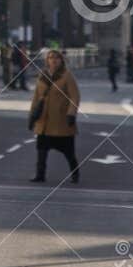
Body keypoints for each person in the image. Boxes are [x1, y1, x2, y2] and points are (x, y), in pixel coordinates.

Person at [28, 48, 80, 185]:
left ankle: (75, 174)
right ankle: (40, 174)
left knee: (69, 152)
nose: (54, 60)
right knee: (41, 150)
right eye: (51, 57)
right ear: (47, 61)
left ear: (61, 60)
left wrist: (71, 113)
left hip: (61, 121)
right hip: (44, 121)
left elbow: (75, 96)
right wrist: (32, 116)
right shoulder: (42, 76)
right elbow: (36, 98)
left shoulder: (67, 76)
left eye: (57, 58)